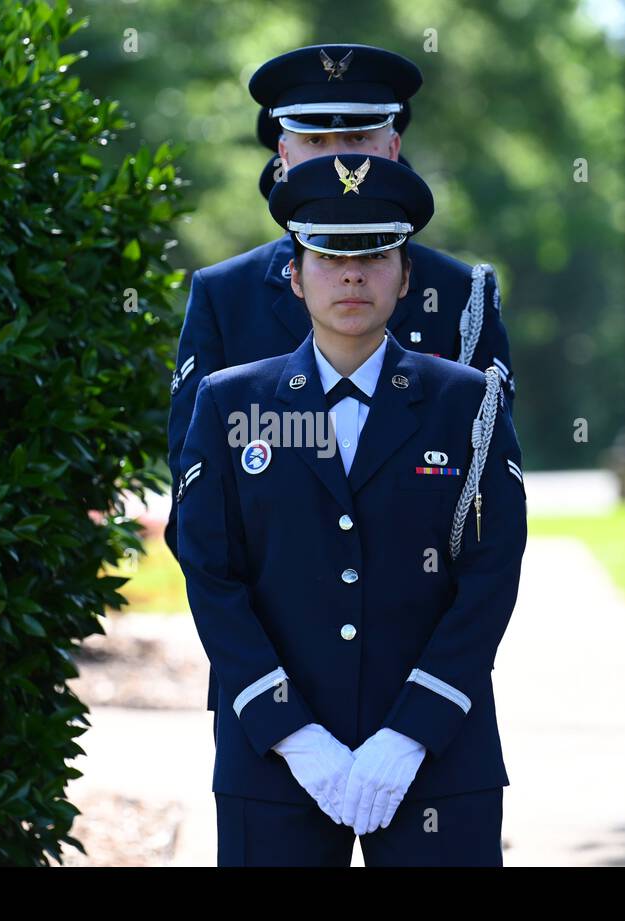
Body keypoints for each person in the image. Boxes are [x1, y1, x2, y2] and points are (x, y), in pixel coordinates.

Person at [175, 153, 527, 866]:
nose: (353, 275)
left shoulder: (466, 402)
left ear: (405, 276)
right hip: (273, 762)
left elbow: (491, 570)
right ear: (294, 276)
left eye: (375, 255)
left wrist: (412, 733)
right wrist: (292, 734)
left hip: (439, 757)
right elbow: (213, 573)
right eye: (329, 256)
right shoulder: (231, 402)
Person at [167, 41, 519, 719]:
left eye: (356, 134)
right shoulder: (226, 296)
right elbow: (197, 514)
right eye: (314, 137)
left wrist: (429, 696)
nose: (337, 158)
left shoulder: (459, 294)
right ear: (281, 156)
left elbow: (487, 514)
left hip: (426, 682)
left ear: (392, 148)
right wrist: (269, 688)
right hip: (268, 681)